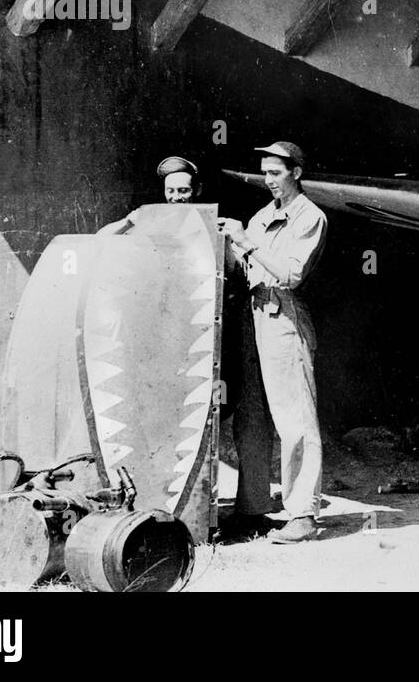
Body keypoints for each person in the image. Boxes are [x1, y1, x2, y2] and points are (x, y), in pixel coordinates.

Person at [217, 141, 328, 544]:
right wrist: (226, 245)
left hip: (284, 317)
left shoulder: (310, 217)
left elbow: (292, 274)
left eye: (276, 172)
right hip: (253, 316)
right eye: (264, 172)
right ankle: (252, 508)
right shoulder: (263, 216)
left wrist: (247, 242)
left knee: (295, 419)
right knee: (251, 417)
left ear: (296, 173)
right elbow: (246, 268)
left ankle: (303, 515)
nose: (268, 180)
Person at [98, 155, 201, 233]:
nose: (176, 197)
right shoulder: (156, 218)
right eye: (170, 191)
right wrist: (128, 222)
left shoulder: (205, 221)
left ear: (198, 190)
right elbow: (99, 238)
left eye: (183, 190)